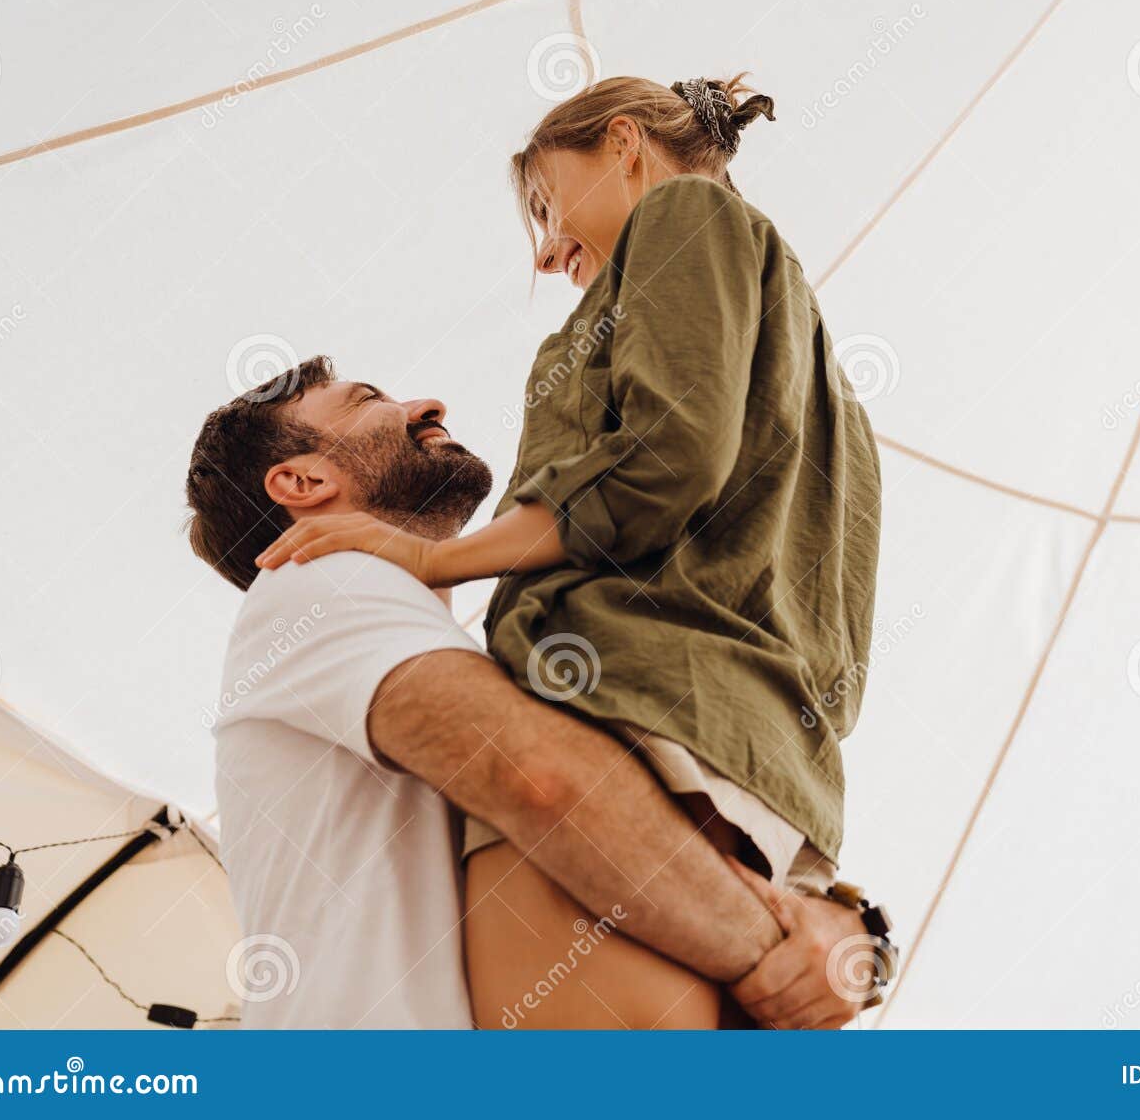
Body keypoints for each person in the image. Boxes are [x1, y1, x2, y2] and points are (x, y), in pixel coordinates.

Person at [253, 74, 885, 1028]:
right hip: (751, 768)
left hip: (626, 716)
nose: (549, 252)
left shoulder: (681, 214)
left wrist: (429, 562)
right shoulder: (825, 393)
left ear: (625, 144)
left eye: (547, 203)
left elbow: (664, 456)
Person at [187, 358, 884, 1028]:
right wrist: (786, 955)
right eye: (370, 400)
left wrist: (851, 934)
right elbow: (540, 778)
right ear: (303, 481)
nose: (426, 407)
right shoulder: (314, 584)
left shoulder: (426, 638)